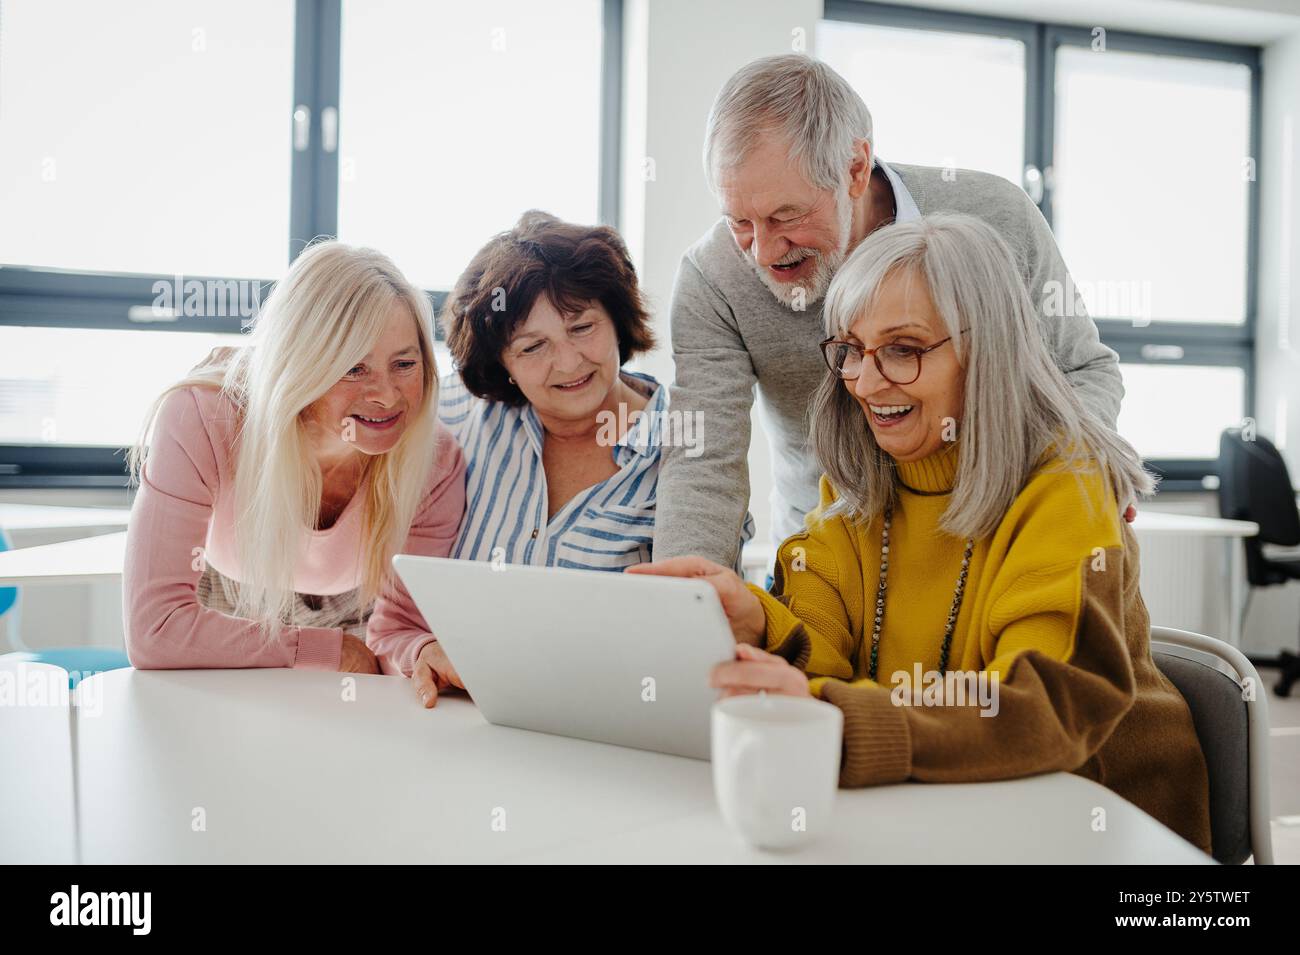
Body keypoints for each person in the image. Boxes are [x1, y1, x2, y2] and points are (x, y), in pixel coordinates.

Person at [631, 214, 1212, 854]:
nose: (866, 381)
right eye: (851, 349)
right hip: (946, 818)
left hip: (1099, 833)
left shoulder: (1066, 487)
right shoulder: (858, 488)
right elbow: (825, 653)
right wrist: (758, 625)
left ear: (987, 351)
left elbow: (1041, 710)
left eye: (903, 350)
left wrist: (837, 719)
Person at [654, 54, 1129, 570]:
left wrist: (1070, 478)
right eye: (739, 221)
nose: (764, 252)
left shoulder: (997, 216)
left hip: (993, 546)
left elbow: (1081, 372)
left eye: (786, 216)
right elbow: (705, 458)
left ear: (856, 169)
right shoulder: (712, 277)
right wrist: (689, 601)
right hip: (825, 566)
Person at [404, 211, 752, 707]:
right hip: (464, 721)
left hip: (612, 726)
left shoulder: (689, 453)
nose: (568, 363)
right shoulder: (457, 417)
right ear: (501, 363)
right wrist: (421, 647)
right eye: (532, 346)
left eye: (582, 327)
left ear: (616, 321)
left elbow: (703, 640)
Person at [124, 241, 466, 677]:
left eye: (404, 364)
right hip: (226, 608)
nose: (386, 395)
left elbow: (396, 632)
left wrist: (419, 654)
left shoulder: (434, 460)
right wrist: (328, 650)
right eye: (353, 369)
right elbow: (157, 628)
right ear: (300, 367)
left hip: (357, 615)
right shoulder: (203, 416)